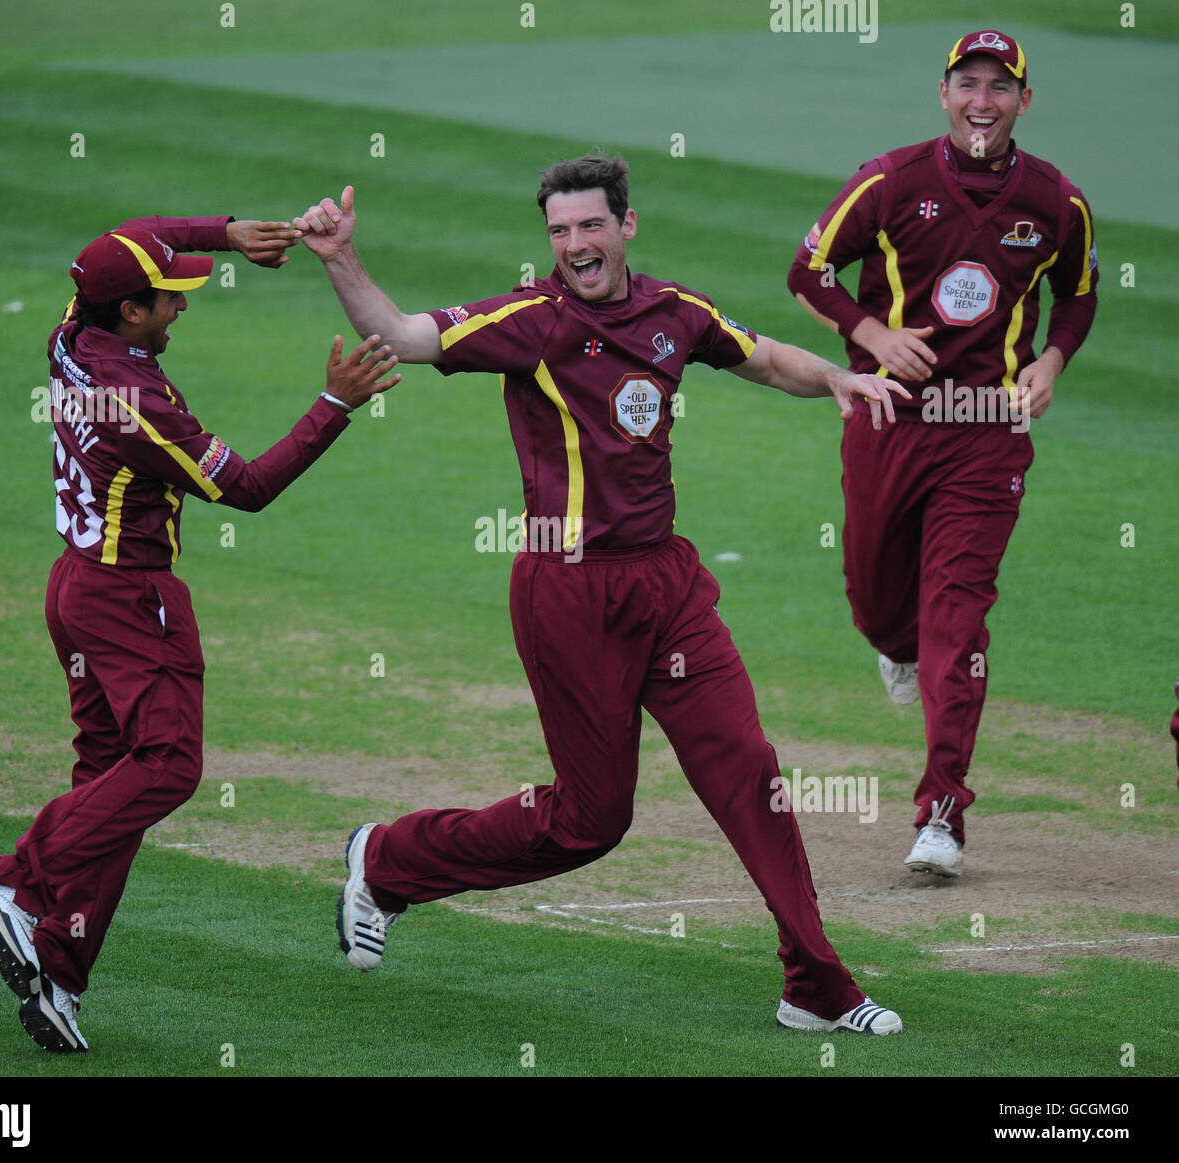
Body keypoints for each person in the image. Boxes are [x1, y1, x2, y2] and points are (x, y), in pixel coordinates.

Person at [295, 154, 908, 1034]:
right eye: (559, 230)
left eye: (590, 226)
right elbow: (400, 330)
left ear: (626, 225)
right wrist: (340, 259)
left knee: (749, 771)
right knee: (589, 820)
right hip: (568, 593)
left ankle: (816, 985)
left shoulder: (673, 313)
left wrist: (838, 380)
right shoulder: (530, 322)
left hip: (667, 586)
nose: (575, 244)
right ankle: (387, 860)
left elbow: (763, 356)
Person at [0, 215, 400, 1053]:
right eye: (169, 301)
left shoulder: (71, 332)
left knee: (111, 783)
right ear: (129, 313)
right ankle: (17, 880)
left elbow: (140, 230)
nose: (181, 311)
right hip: (131, 602)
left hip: (75, 586)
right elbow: (246, 487)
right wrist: (335, 404)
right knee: (168, 766)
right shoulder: (138, 400)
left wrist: (234, 234)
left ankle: (57, 962)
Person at [786, 30, 1098, 878]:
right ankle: (896, 645)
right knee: (877, 602)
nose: (983, 101)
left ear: (1024, 101)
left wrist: (1049, 361)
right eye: (969, 83)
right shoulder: (890, 182)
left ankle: (943, 815)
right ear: (944, 92)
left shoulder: (1057, 203)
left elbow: (1077, 297)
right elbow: (808, 271)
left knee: (956, 625)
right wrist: (871, 333)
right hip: (889, 419)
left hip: (987, 430)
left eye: (1000, 87)